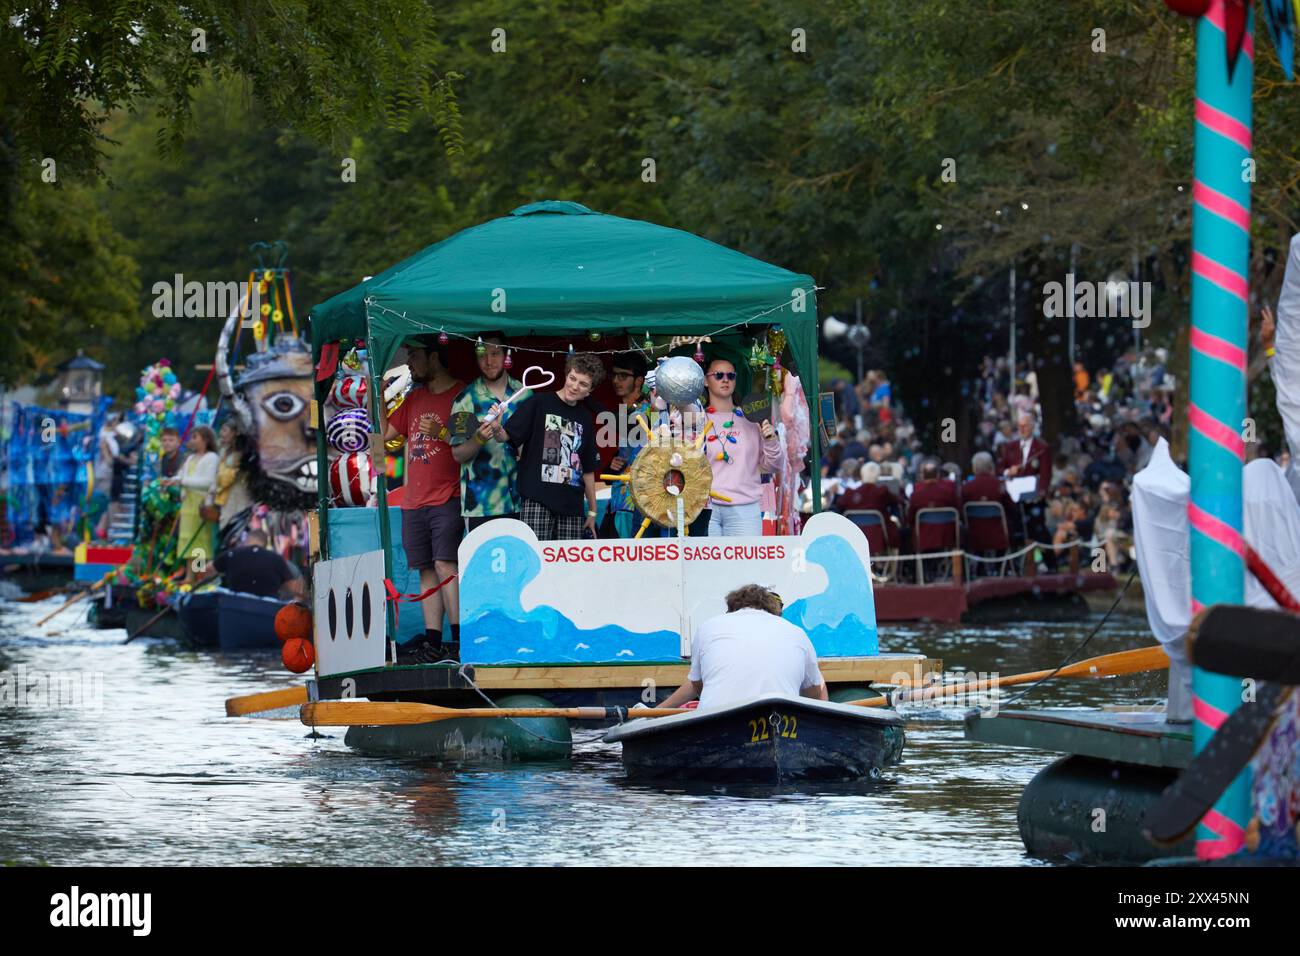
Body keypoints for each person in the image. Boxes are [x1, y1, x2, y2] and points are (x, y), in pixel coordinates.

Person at [384, 336, 466, 664]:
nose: (410, 363)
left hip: (448, 495)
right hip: (414, 499)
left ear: (434, 357)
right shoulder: (414, 397)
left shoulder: (462, 393)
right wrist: (377, 393)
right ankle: (434, 641)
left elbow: (468, 444)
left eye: (415, 356)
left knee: (446, 563)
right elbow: (381, 438)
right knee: (425, 569)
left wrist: (442, 433)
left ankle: (460, 641)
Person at [656, 584, 827, 711]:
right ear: (773, 610)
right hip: (781, 717)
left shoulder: (709, 626)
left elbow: (699, 685)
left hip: (718, 720)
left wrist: (654, 713)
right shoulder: (797, 632)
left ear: (732, 608)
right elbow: (814, 694)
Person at [504, 351, 603, 541]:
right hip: (537, 499)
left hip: (572, 506)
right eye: (572, 378)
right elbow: (506, 436)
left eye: (583, 384)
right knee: (535, 559)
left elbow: (588, 469)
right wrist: (495, 426)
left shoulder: (585, 419)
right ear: (566, 375)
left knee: (569, 567)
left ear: (589, 391)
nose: (575, 386)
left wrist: (592, 512)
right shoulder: (539, 403)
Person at [450, 332, 528, 532]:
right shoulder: (464, 400)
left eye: (495, 354)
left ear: (506, 355)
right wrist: (479, 438)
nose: (488, 361)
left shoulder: (524, 394)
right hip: (482, 507)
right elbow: (458, 454)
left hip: (523, 501)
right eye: (482, 354)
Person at [701, 357, 785, 536]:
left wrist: (770, 440)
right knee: (706, 564)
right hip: (706, 507)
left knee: (745, 564)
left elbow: (773, 465)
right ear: (705, 381)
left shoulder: (751, 418)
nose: (725, 379)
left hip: (745, 508)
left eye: (731, 376)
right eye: (718, 375)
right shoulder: (697, 419)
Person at [604, 352, 650, 538]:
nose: (616, 380)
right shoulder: (623, 411)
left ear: (639, 380)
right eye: (614, 375)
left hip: (638, 505)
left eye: (623, 375)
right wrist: (612, 467)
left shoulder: (650, 409)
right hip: (618, 501)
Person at [168, 426, 218, 583]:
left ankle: (199, 576)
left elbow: (208, 482)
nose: (192, 440)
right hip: (187, 503)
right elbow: (181, 475)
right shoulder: (190, 458)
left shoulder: (212, 458)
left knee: (200, 543)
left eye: (195, 437)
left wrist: (182, 481)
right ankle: (190, 576)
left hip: (201, 504)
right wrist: (173, 480)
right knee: (188, 540)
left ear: (206, 440)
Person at [211, 529, 302, 599]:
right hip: (266, 610)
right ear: (265, 544)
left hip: (236, 605)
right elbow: (293, 588)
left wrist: (197, 560)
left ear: (246, 541)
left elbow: (205, 570)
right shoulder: (277, 559)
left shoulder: (232, 554)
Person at [998, 411, 1052, 494]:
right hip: (1012, 493)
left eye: (1025, 426)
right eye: (1020, 426)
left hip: (1033, 494)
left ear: (1032, 427)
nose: (1022, 430)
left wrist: (1041, 493)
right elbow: (999, 469)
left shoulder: (1042, 448)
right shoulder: (1010, 446)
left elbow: (1045, 476)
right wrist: (1008, 472)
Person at [209, 420, 244, 532]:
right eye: (221, 430)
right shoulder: (222, 450)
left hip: (235, 498)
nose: (221, 433)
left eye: (225, 430)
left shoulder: (240, 454)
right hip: (221, 498)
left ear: (235, 433)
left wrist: (217, 478)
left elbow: (227, 478)